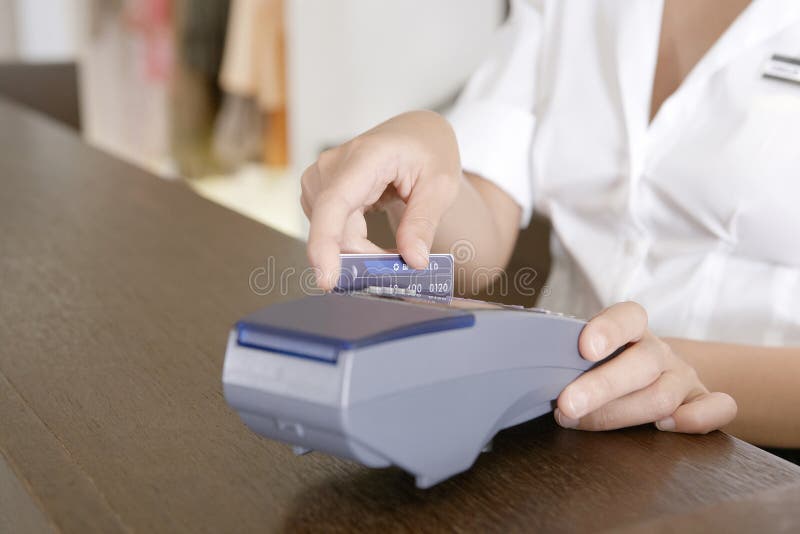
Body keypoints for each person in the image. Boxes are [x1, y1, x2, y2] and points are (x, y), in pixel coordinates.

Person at [300, 0, 800, 447]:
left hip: (754, 460)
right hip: (551, 431)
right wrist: (424, 149)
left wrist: (640, 368)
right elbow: (473, 259)